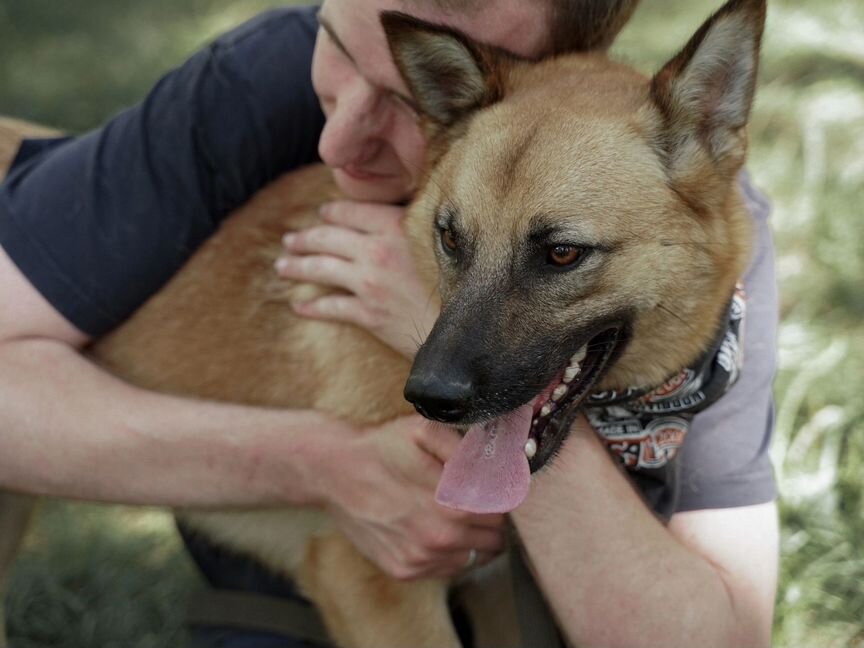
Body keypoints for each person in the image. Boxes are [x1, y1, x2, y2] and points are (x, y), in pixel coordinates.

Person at [0, 0, 779, 646]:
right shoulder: (255, 84)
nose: (338, 140)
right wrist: (325, 464)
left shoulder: (705, 256)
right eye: (451, 240)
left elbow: (712, 632)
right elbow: (368, 581)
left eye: (564, 254)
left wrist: (463, 349)